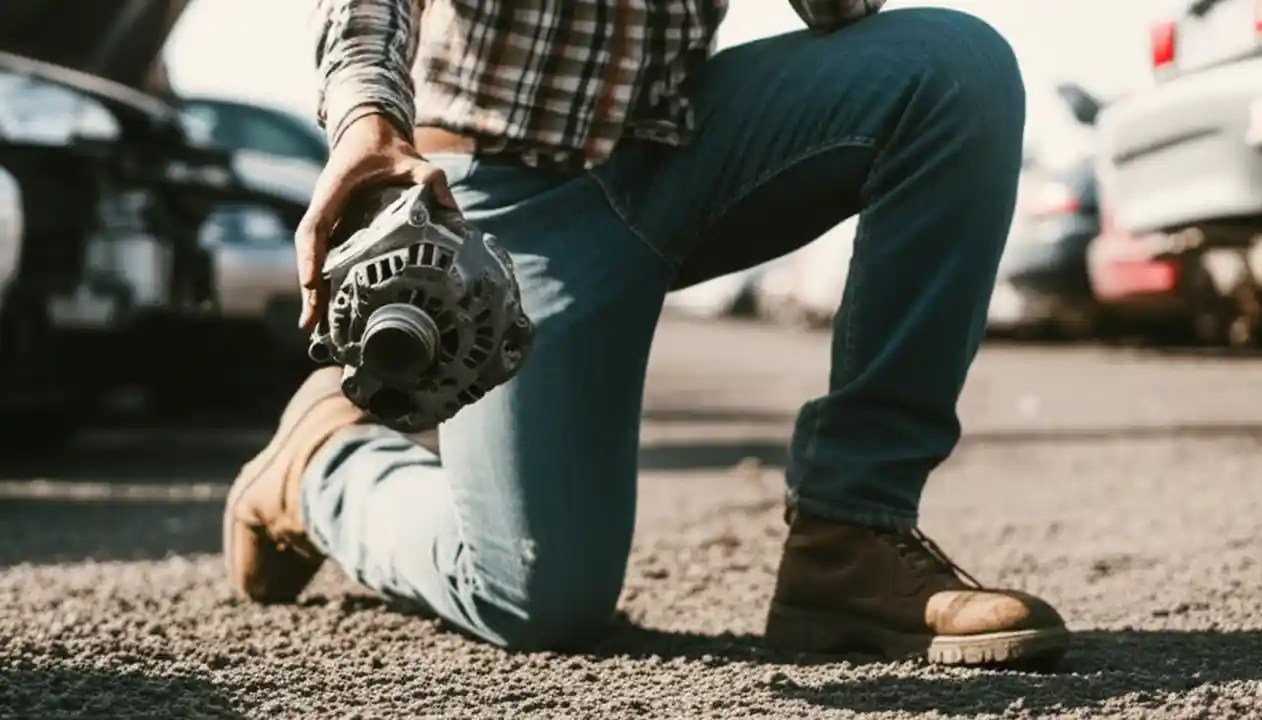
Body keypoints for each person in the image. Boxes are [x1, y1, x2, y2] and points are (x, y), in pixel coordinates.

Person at [224, 0, 1070, 665]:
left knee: (955, 70)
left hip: (683, 144)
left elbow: (840, 12)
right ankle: (325, 469)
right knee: (536, 598)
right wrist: (368, 114)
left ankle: (851, 536)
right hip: (502, 197)